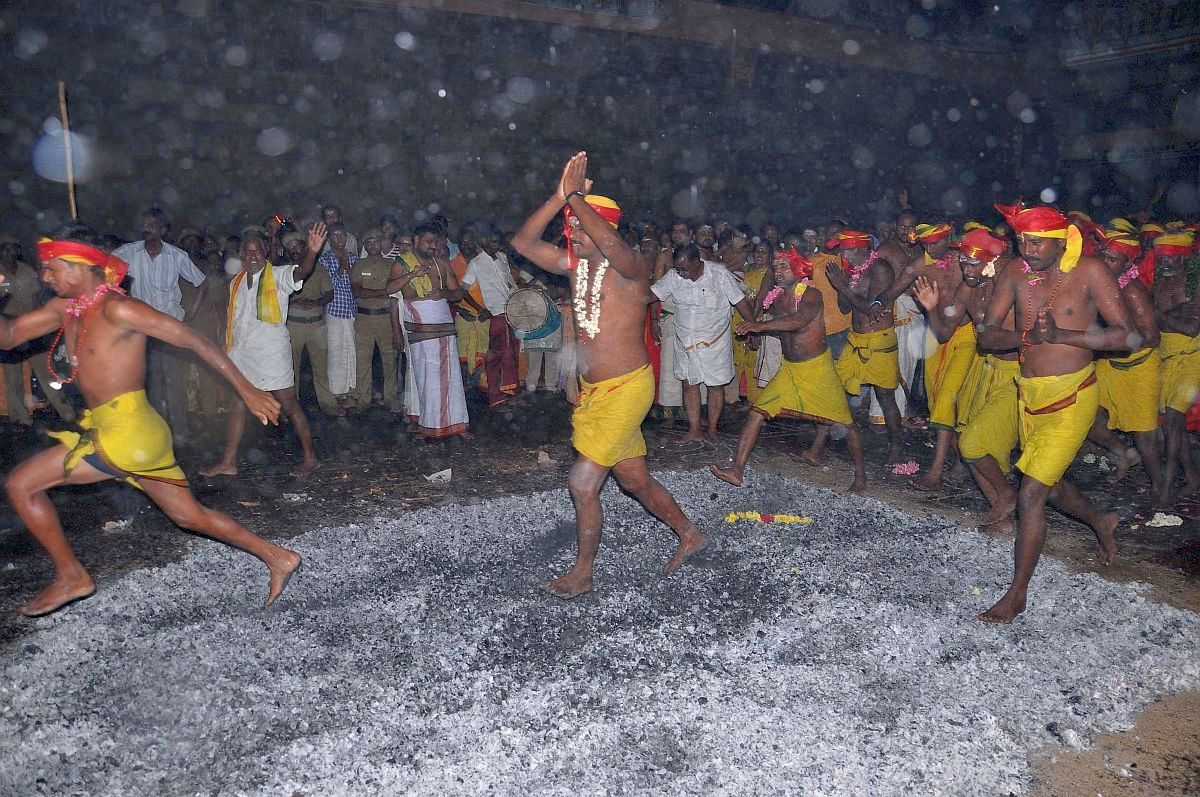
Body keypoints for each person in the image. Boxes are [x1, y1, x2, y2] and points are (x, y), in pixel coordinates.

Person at [0, 225, 300, 617]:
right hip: (124, 431)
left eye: (53, 267)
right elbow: (8, 337)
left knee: (22, 485)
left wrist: (246, 389)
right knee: (189, 516)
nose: (45, 276)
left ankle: (72, 575)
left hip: (130, 433)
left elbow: (194, 340)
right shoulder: (66, 308)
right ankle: (277, 556)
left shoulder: (119, 309)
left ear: (82, 266)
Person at [512, 151, 707, 599]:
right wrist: (559, 196)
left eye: (579, 226)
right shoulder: (575, 268)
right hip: (596, 391)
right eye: (569, 226)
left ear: (604, 229)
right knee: (634, 480)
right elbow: (522, 244)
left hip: (628, 389)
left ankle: (582, 573)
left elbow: (614, 246)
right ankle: (690, 534)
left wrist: (577, 199)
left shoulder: (631, 270)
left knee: (581, 483)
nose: (571, 233)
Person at [975, 203, 1132, 624]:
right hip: (1030, 396)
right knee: (1052, 485)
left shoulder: (1091, 271)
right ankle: (1100, 520)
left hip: (1074, 396)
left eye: (1036, 242)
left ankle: (1016, 595)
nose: (1026, 249)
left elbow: (1128, 335)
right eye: (1021, 240)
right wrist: (1024, 335)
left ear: (1062, 239)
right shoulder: (1013, 271)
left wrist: (1064, 335)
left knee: (1031, 493)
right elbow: (987, 336)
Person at [711, 249, 865, 492]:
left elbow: (799, 321)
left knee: (845, 422)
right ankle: (737, 470)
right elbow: (780, 324)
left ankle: (861, 477)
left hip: (817, 368)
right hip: (789, 368)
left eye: (784, 266)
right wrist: (756, 331)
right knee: (756, 412)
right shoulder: (778, 296)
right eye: (776, 267)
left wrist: (759, 326)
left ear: (798, 269)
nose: (778, 271)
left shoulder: (811, 295)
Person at [913, 229, 1019, 533]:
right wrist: (931, 308)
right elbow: (945, 332)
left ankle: (1008, 497)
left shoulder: (1010, 286)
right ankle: (1003, 518)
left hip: (1018, 375)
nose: (965, 270)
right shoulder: (968, 288)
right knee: (971, 444)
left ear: (991, 262)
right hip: (986, 369)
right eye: (962, 263)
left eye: (972, 264)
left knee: (976, 443)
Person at [200, 228, 323, 477]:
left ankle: (311, 458)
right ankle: (229, 462)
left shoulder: (277, 275)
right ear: (242, 256)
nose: (252, 255)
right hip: (241, 351)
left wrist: (311, 251)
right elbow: (234, 318)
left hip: (270, 352)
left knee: (288, 403)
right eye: (248, 251)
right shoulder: (236, 282)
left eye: (257, 250)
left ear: (266, 253)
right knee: (237, 403)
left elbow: (301, 271)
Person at [113, 208, 207, 442]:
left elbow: (202, 284)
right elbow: (104, 267)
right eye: (145, 224)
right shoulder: (129, 252)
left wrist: (189, 315)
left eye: (153, 225)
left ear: (164, 230)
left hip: (170, 327)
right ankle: (156, 431)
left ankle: (181, 432)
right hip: (142, 329)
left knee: (174, 381)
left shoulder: (176, 256)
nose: (147, 228)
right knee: (150, 382)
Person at [1086, 234, 1166, 504]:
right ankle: (1124, 454)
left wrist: (1106, 346)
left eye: (1112, 258)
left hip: (1139, 367)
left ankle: (1159, 488)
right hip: (1110, 364)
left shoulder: (1132, 291)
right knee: (1087, 419)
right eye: (1104, 255)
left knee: (1145, 436)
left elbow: (1152, 337)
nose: (1105, 262)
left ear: (1126, 262)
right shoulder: (1103, 283)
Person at [651, 243, 755, 446]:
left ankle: (713, 429)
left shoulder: (719, 274)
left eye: (684, 269)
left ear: (698, 263)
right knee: (689, 383)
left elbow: (740, 301)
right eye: (678, 268)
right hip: (686, 339)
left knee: (715, 385)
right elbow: (654, 294)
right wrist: (653, 320)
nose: (680, 273)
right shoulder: (675, 275)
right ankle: (694, 429)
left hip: (715, 340)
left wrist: (753, 327)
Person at [823, 230, 904, 465]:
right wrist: (842, 284)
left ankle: (897, 448)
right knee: (834, 386)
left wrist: (844, 286)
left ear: (859, 248)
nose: (842, 253)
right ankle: (820, 445)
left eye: (845, 249)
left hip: (878, 340)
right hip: (856, 340)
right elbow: (845, 308)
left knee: (885, 398)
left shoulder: (880, 269)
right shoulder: (854, 272)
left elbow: (873, 310)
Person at [387, 223, 470, 439]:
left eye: (435, 242)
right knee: (428, 379)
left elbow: (457, 293)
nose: (433, 246)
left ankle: (457, 424)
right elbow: (389, 290)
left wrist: (443, 292)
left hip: (444, 327)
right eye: (429, 242)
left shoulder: (441, 264)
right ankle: (429, 425)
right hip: (421, 330)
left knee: (451, 378)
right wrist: (412, 275)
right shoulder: (402, 264)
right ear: (416, 240)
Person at [0, 235, 77, 424]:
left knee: (46, 372)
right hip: (10, 326)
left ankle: (66, 413)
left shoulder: (26, 271)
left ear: (18, 250)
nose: (10, 253)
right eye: (5, 248)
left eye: (13, 248)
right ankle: (21, 419)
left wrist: (43, 324)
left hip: (32, 325)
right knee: (13, 377)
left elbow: (37, 298)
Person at [1149, 231, 1200, 501]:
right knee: (1174, 425)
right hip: (1166, 356)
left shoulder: (1196, 283)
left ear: (1184, 258)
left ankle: (1167, 488)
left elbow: (1192, 328)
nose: (1165, 264)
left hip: (1191, 357)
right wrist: (1168, 316)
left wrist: (1160, 316)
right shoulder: (1160, 281)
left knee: (1171, 420)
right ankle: (1192, 479)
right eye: (1161, 259)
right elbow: (1148, 317)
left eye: (1171, 259)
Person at [461, 228, 522, 407]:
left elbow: (509, 283)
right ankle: (497, 398)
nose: (496, 244)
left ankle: (510, 392)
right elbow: (463, 291)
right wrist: (480, 309)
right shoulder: (476, 263)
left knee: (512, 354)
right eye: (492, 241)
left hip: (510, 311)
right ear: (483, 242)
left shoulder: (502, 257)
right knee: (498, 356)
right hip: (495, 313)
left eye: (497, 241)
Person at [284, 229, 338, 417]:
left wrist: (315, 302)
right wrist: (293, 301)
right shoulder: (283, 271)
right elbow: (275, 297)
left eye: (297, 246)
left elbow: (330, 294)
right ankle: (291, 406)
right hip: (294, 324)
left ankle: (328, 404)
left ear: (304, 247)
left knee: (321, 366)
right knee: (291, 368)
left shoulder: (318, 268)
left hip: (316, 324)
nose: (294, 250)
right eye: (290, 248)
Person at [349, 229, 400, 412]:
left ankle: (391, 399)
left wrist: (383, 292)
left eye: (375, 242)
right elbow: (357, 291)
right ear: (364, 246)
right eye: (368, 243)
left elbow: (395, 290)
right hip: (363, 319)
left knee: (389, 360)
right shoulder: (359, 265)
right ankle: (363, 399)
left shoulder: (391, 264)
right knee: (362, 360)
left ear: (381, 243)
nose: (372, 246)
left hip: (386, 317)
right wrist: (384, 291)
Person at [317, 223, 358, 411]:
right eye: (336, 235)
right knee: (335, 354)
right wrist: (342, 267)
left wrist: (348, 266)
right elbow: (329, 285)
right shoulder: (324, 260)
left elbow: (356, 283)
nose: (340, 238)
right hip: (334, 311)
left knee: (351, 351)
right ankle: (336, 393)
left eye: (343, 235)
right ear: (329, 239)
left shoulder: (355, 258)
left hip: (351, 311)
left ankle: (349, 391)